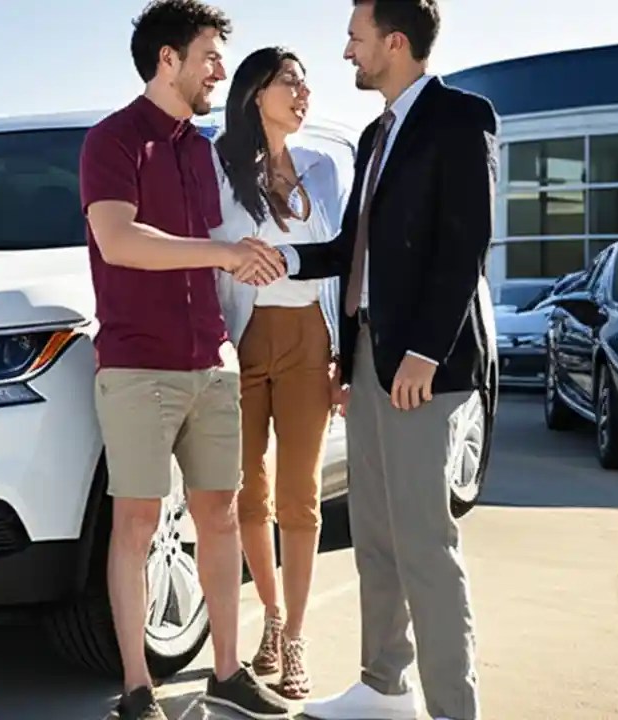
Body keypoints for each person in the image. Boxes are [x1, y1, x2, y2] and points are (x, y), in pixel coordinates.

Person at [243, 2, 499, 719]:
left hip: (423, 368)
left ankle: (454, 709)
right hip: (369, 364)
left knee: (424, 544)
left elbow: (464, 244)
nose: (346, 50)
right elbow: (354, 253)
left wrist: (423, 352)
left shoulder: (460, 116)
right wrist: (283, 258)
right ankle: (384, 687)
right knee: (377, 537)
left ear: (394, 41)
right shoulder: (375, 134)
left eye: (356, 37)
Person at [79, 2, 294, 719]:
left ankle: (226, 672)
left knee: (222, 516)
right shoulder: (111, 141)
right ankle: (138, 689)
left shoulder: (201, 149)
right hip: (139, 365)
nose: (219, 71)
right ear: (167, 60)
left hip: (211, 361)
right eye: (208, 56)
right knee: (137, 522)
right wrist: (223, 254)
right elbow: (119, 240)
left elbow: (228, 238)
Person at [207, 46, 351, 701]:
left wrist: (346, 348)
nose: (302, 92)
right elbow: (207, 252)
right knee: (247, 493)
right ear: (255, 91)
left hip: (308, 339)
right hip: (241, 338)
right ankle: (267, 614)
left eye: (305, 82)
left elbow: (348, 260)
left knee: (300, 494)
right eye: (289, 81)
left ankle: (293, 636)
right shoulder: (217, 161)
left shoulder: (324, 165)